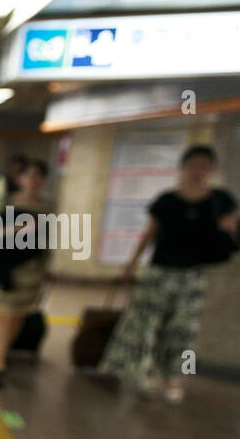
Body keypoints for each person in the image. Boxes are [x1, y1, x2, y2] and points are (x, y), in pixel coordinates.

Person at [97, 144, 239, 403]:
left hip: (194, 275)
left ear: (212, 170)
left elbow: (231, 232)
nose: (198, 171)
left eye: (204, 166)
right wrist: (131, 262)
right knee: (150, 325)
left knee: (183, 330)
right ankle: (147, 372)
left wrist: (227, 228)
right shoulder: (167, 201)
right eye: (193, 166)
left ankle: (174, 378)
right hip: (161, 271)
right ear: (183, 169)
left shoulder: (221, 200)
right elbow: (150, 233)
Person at [0, 159, 52, 389]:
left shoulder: (47, 208)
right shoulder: (4, 204)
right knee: (3, 314)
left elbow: (47, 243)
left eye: (39, 176)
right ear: (20, 179)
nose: (34, 181)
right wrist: (17, 229)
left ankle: (0, 350)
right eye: (30, 175)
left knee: (18, 316)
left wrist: (46, 268)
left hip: (30, 270)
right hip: (5, 268)